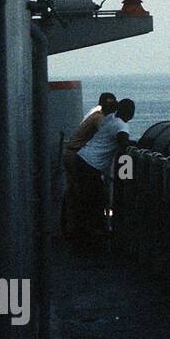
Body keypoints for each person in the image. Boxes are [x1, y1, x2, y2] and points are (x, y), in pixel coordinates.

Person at [69, 98, 135, 252]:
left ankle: (86, 235)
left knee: (88, 199)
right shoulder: (122, 125)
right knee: (96, 200)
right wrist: (140, 145)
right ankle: (94, 238)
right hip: (90, 164)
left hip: (83, 158)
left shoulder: (111, 119)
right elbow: (123, 143)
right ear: (129, 113)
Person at [60, 92, 116, 239]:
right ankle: (84, 228)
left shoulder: (95, 115)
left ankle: (72, 227)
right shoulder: (99, 118)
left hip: (71, 153)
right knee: (83, 192)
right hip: (76, 155)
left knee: (74, 191)